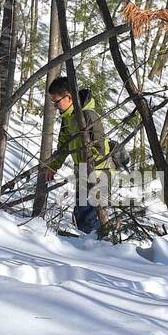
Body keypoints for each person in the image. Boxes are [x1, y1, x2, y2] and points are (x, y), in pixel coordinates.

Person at [42, 77, 113, 235]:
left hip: (97, 173)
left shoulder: (87, 114)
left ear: (69, 97)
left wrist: (91, 173)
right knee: (80, 216)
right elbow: (63, 146)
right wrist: (53, 166)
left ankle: (95, 254)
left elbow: (99, 148)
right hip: (82, 173)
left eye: (56, 101)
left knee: (88, 219)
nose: (54, 106)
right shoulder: (68, 118)